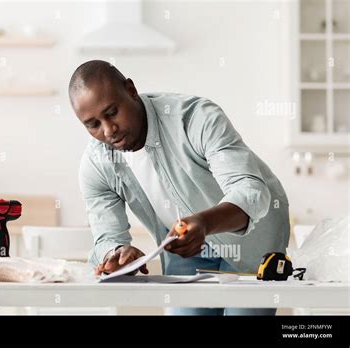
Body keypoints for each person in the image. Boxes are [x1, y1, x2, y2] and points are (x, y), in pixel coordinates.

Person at [69, 60, 290, 315]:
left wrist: (204, 224)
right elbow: (107, 238)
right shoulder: (97, 164)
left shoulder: (195, 118)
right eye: (93, 124)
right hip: (184, 249)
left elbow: (250, 190)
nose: (108, 130)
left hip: (251, 237)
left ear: (130, 89)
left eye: (111, 112)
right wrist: (117, 253)